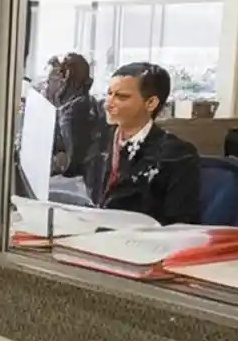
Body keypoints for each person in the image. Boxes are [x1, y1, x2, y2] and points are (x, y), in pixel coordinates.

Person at [83, 62, 200, 225]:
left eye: (121, 97)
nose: (108, 103)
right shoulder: (97, 142)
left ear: (151, 103)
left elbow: (181, 224)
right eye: (109, 93)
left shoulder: (177, 155)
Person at [43, 52, 102, 178]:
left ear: (63, 80)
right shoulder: (81, 103)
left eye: (49, 82)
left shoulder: (75, 115)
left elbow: (68, 166)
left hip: (74, 186)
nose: (45, 87)